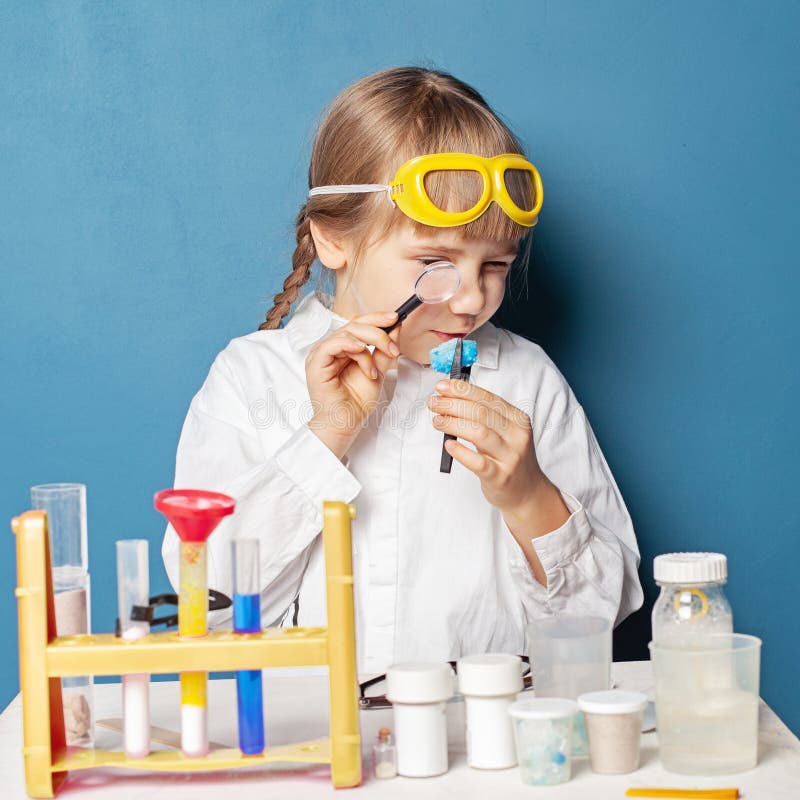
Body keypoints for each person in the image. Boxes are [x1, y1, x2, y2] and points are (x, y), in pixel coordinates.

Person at [162, 67, 643, 673]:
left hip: (484, 740)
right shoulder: (253, 378)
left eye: (495, 264)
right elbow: (206, 607)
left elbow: (603, 613)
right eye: (434, 260)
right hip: (317, 740)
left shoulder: (525, 379)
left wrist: (528, 497)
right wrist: (327, 436)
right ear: (334, 240)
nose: (471, 299)